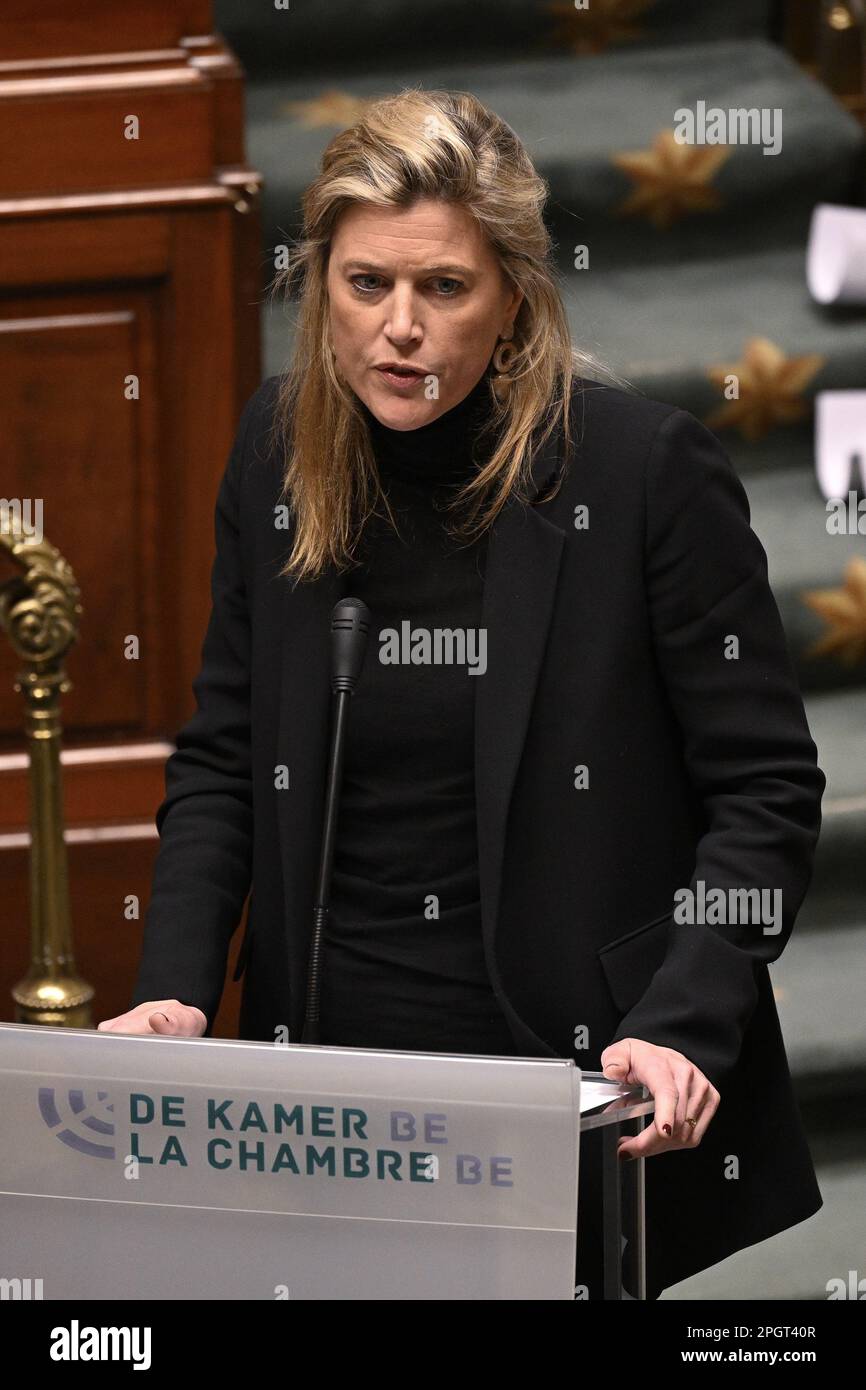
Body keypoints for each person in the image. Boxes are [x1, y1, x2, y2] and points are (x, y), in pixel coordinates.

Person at [99, 88, 826, 1300]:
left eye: (442, 288)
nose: (399, 328)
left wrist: (684, 1019)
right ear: (318, 285)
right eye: (364, 283)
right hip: (332, 1076)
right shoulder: (277, 449)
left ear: (513, 300)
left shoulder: (639, 472)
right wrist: (173, 985)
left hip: (566, 1078)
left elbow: (765, 791)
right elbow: (227, 753)